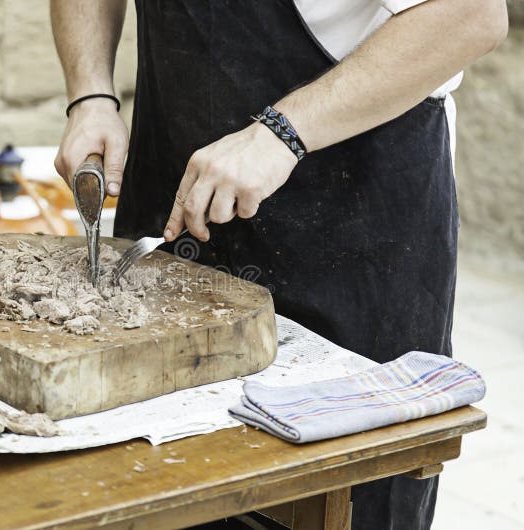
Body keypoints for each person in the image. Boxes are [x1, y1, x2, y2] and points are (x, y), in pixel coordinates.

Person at [50, 1, 508, 529]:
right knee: (154, 490)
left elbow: (471, 16)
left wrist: (280, 133)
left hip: (352, 229)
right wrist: (90, 95)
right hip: (175, 195)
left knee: (341, 493)